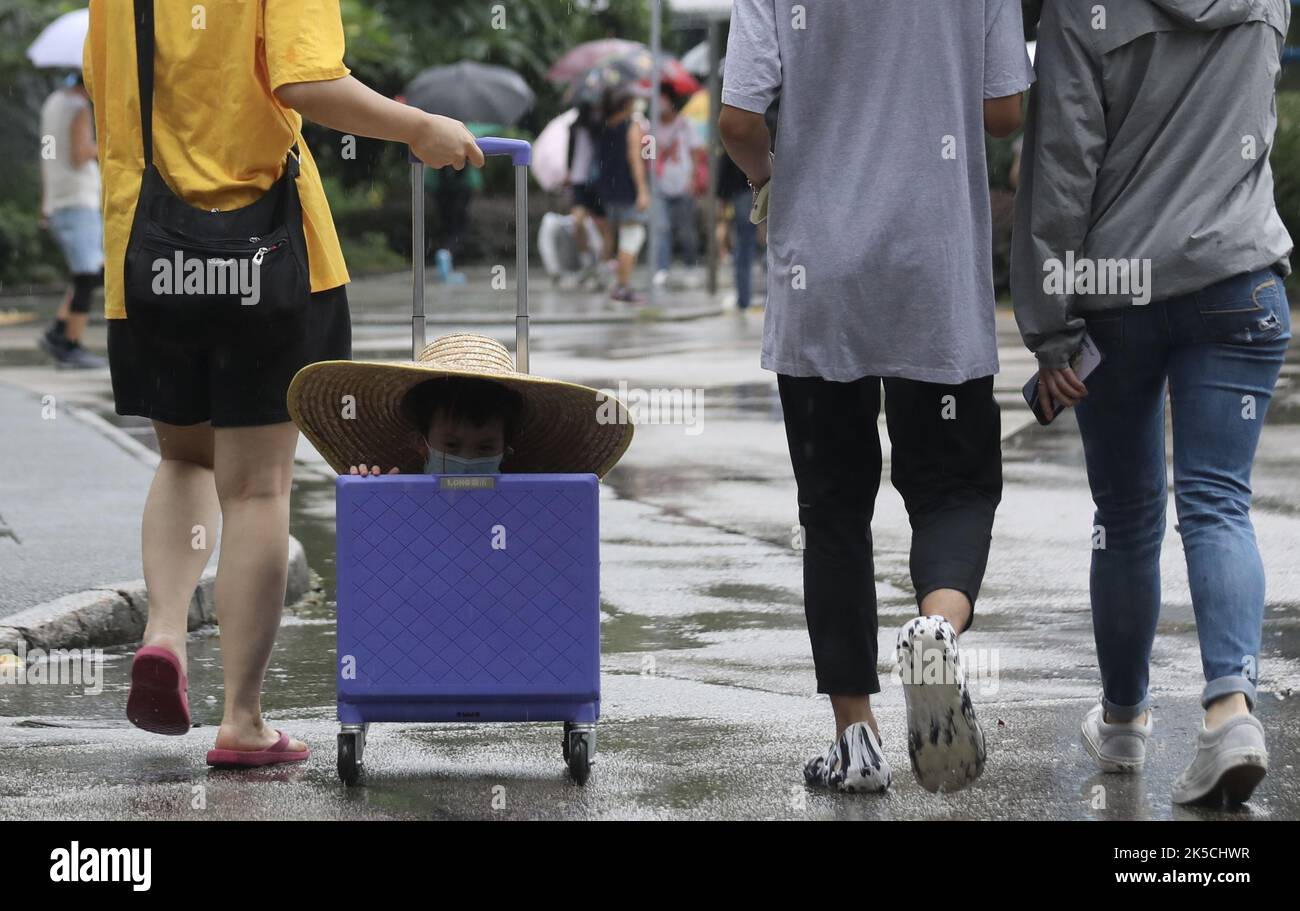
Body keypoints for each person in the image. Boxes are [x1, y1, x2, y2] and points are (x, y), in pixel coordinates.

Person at [86, 0, 483, 767]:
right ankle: (241, 719)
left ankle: (164, 631)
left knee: (184, 460)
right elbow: (306, 82)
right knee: (257, 489)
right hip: (269, 255)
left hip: (146, 250)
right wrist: (417, 127)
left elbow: (111, 96)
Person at [720, 0, 1032, 793]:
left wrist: (771, 179)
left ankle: (855, 738)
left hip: (820, 268)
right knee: (952, 485)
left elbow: (737, 119)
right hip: (934, 265)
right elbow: (1003, 112)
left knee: (832, 507)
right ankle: (938, 624)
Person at [1012, 0, 1292, 806]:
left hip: (1115, 296)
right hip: (1241, 280)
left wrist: (1052, 328)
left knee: (1127, 513)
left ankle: (1125, 722)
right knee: (1219, 503)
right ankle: (1231, 710)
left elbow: (1063, 168)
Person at [286, 333, 635, 481]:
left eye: (485, 448)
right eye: (451, 446)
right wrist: (371, 494)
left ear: (507, 449)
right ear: (420, 442)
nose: (467, 459)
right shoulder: (400, 488)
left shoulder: (527, 499)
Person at [38, 73, 106, 370]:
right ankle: (69, 346)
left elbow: (47, 155)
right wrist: (108, 143)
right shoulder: (79, 106)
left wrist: (46, 202)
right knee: (88, 275)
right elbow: (80, 155)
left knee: (90, 271)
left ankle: (58, 330)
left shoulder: (53, 102)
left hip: (60, 198)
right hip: (78, 199)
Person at [594, 90, 650, 304]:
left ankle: (615, 283)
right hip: (627, 190)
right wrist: (643, 190)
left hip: (609, 191)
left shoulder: (606, 125)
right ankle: (622, 287)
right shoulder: (631, 125)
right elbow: (635, 160)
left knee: (615, 237)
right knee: (632, 237)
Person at [651, 84, 706, 289]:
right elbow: (647, 154)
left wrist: (692, 178)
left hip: (683, 183)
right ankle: (662, 268)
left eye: (663, 100)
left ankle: (691, 266)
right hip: (660, 185)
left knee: (686, 230)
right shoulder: (652, 127)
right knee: (662, 228)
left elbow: (696, 150)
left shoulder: (685, 125)